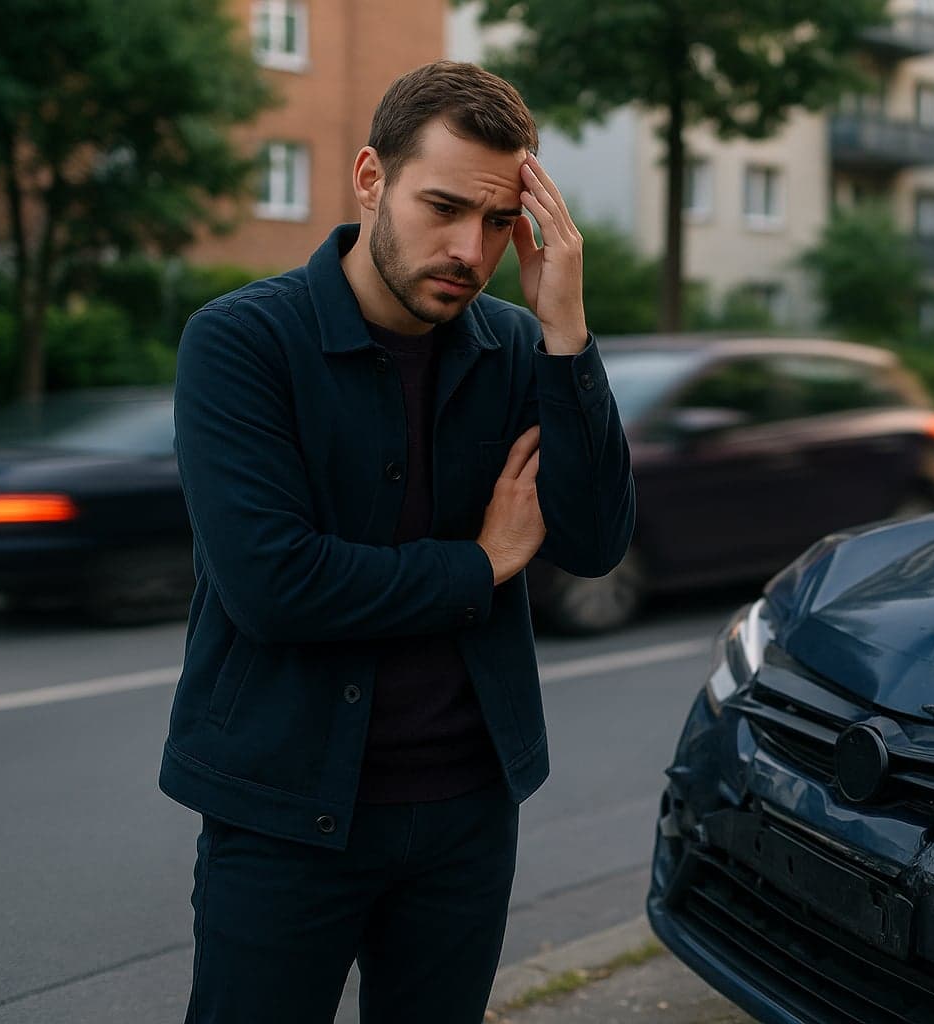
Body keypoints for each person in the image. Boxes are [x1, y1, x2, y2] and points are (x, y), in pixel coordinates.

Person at [160, 60, 635, 1023]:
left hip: (467, 811)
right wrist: (484, 563)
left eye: (500, 222)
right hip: (284, 810)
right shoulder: (243, 344)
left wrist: (568, 331)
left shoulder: (512, 350)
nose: (470, 248)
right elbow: (275, 587)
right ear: (371, 179)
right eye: (444, 207)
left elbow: (591, 542)